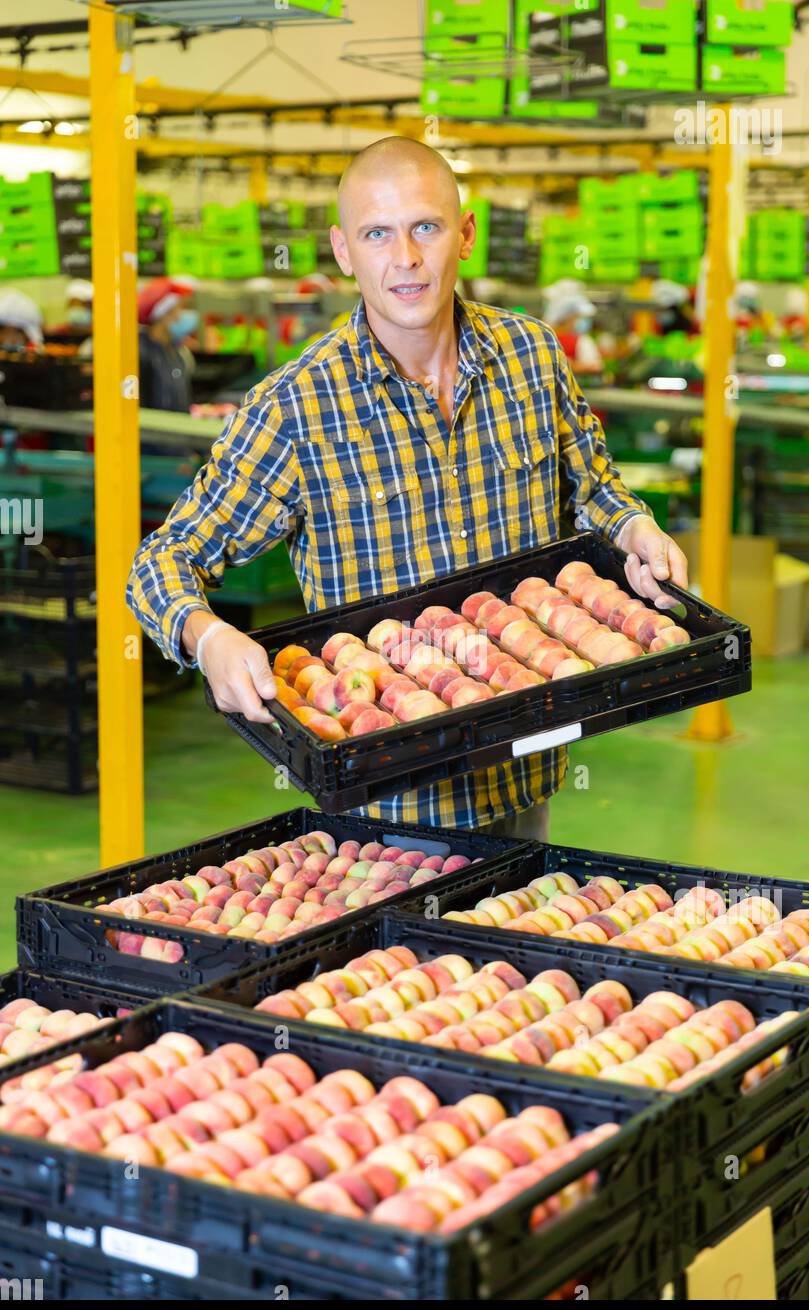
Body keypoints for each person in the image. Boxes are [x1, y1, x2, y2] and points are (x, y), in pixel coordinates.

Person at [128, 137, 687, 840]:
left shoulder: (532, 359)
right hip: (389, 807)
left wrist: (634, 528)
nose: (406, 258)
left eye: (426, 226)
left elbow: (595, 489)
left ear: (466, 233)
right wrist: (206, 637)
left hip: (527, 762)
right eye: (376, 233)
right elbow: (162, 559)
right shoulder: (298, 408)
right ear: (342, 250)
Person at [137, 277, 198, 413]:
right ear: (164, 314)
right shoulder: (139, 351)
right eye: (181, 308)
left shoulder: (177, 351)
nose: (181, 316)